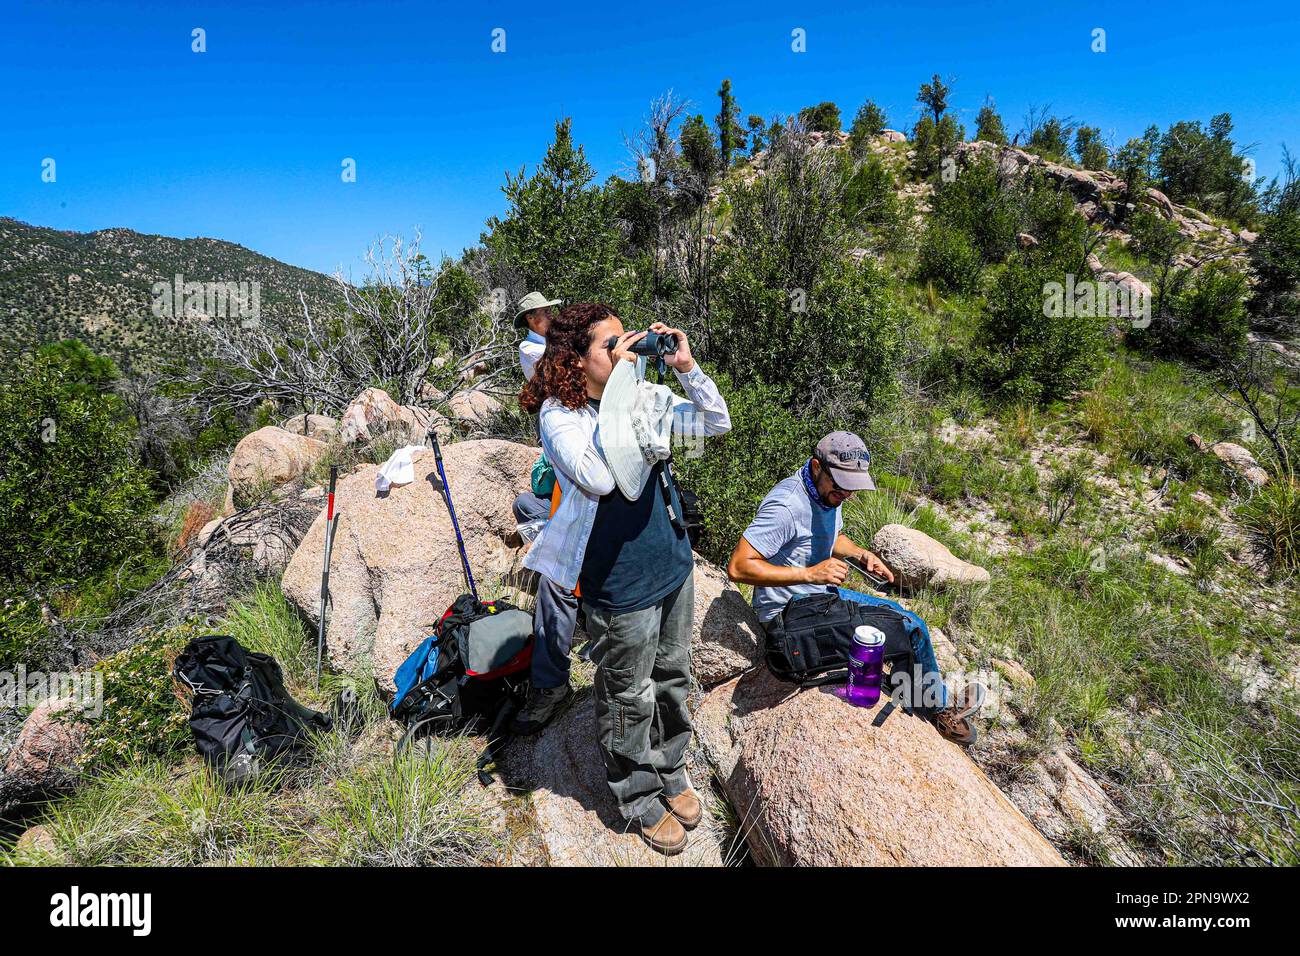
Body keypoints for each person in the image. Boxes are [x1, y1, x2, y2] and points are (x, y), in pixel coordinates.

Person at [520, 303, 730, 855]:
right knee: (626, 694)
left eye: (625, 340)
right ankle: (636, 795)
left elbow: (712, 425)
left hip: (671, 561)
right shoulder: (559, 416)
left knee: (673, 675)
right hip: (618, 580)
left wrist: (684, 368)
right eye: (610, 346)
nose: (626, 351)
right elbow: (597, 476)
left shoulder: (640, 395)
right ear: (577, 361)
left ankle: (670, 766)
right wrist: (630, 402)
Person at [726, 431, 985, 746]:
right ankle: (938, 710)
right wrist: (809, 574)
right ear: (816, 466)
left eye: (851, 486)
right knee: (910, 628)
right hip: (790, 617)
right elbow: (739, 566)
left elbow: (829, 537)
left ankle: (919, 695)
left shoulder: (825, 494)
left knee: (904, 619)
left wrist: (861, 554)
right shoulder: (787, 504)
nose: (846, 493)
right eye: (841, 484)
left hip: (818, 600)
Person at [508, 289, 581, 736]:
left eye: (550, 311)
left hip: (579, 492)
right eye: (541, 314)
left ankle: (550, 684)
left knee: (556, 583)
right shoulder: (535, 351)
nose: (547, 317)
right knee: (527, 503)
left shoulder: (578, 407)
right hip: (565, 477)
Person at [515, 291, 561, 384]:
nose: (551, 316)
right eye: (545, 311)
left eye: (550, 311)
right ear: (530, 318)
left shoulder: (554, 338)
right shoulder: (528, 348)